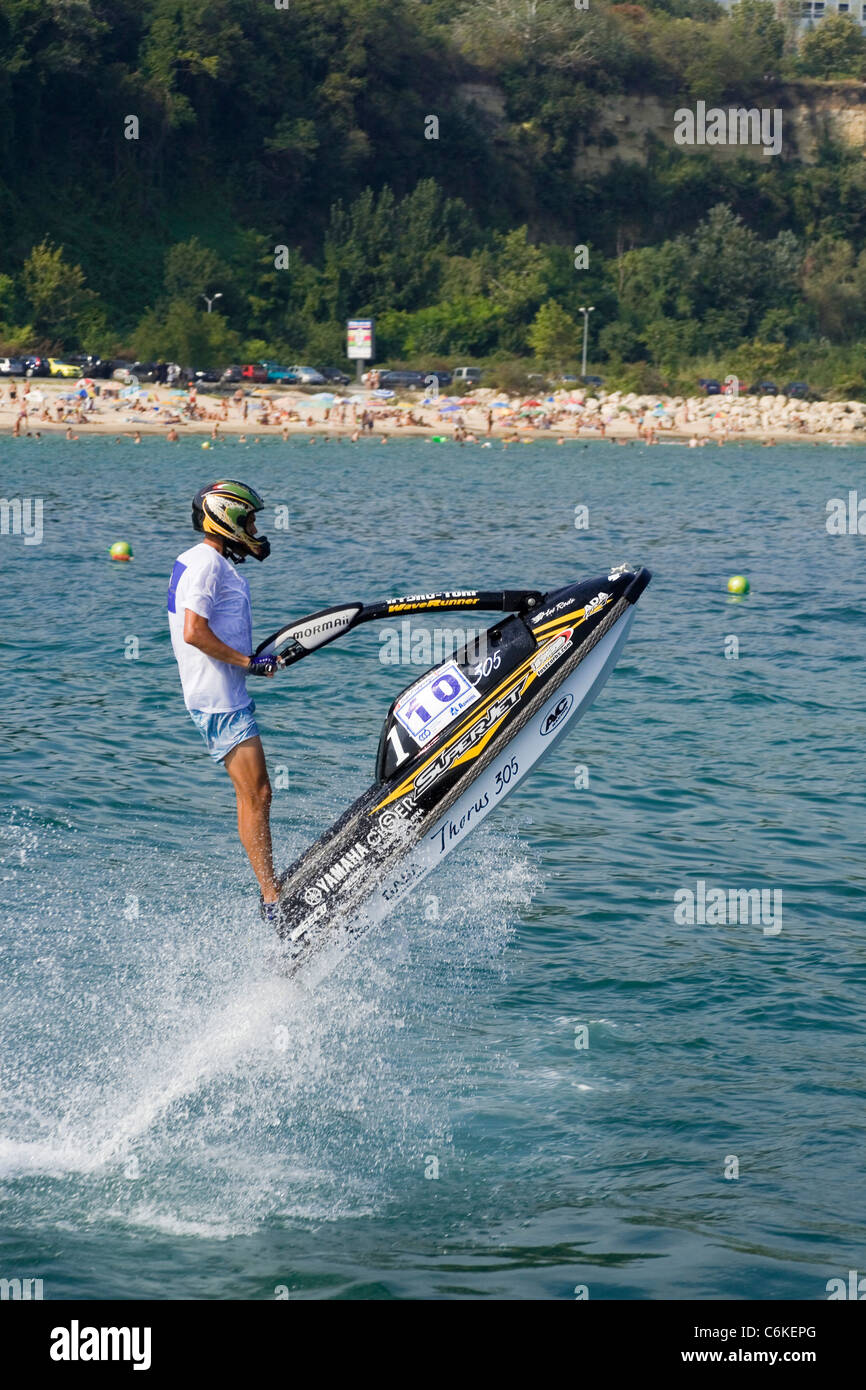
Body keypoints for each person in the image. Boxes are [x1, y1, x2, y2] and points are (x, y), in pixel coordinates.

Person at [167, 480, 283, 922]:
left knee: (253, 794)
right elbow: (193, 631)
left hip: (221, 691)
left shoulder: (199, 560)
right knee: (257, 793)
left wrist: (250, 663)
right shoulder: (207, 565)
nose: (255, 528)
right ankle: (272, 898)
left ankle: (269, 891)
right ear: (228, 520)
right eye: (249, 520)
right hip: (218, 697)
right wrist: (247, 662)